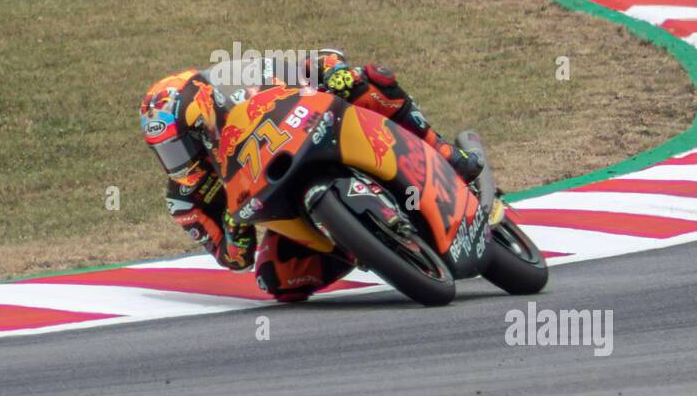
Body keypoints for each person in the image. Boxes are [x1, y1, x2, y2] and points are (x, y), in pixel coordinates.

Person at [140, 49, 484, 303]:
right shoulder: (185, 198)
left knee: (366, 80)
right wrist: (234, 220)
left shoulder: (246, 84)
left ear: (205, 121)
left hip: (319, 133)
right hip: (286, 212)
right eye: (166, 151)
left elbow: (313, 63)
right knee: (277, 280)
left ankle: (444, 153)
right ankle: (362, 246)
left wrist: (328, 69)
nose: (179, 160)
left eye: (181, 145)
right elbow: (234, 259)